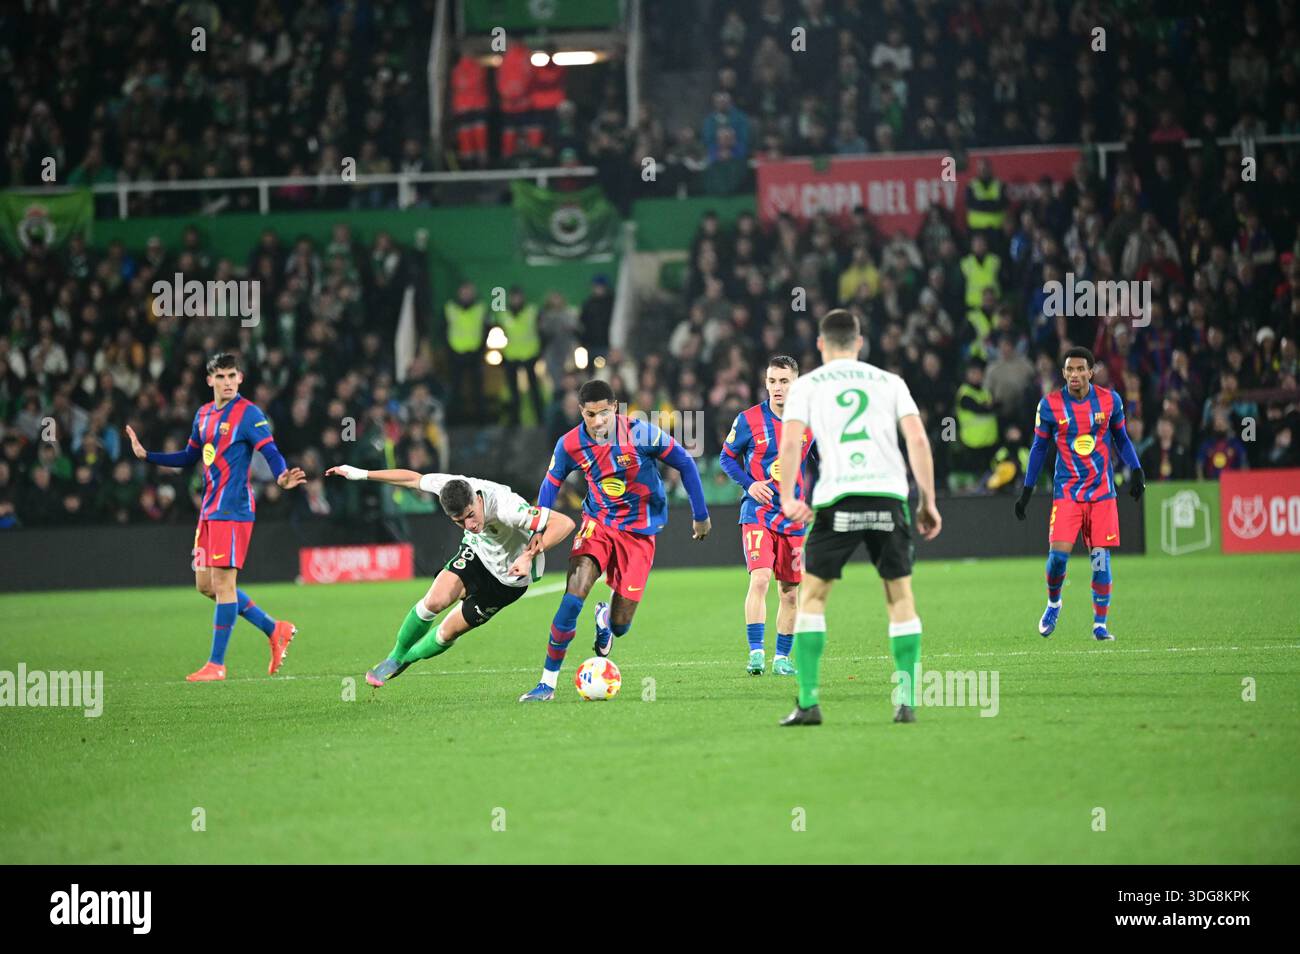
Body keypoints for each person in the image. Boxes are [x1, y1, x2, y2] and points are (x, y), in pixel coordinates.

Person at [775, 310, 942, 726]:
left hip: (837, 498)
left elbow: (792, 442)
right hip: (888, 496)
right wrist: (928, 501)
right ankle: (905, 701)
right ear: (859, 342)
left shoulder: (807, 385)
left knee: (812, 597)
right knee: (899, 596)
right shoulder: (890, 382)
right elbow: (918, 439)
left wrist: (787, 496)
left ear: (820, 343)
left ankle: (809, 703)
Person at [518, 379, 711, 701]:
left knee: (621, 626)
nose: (597, 422)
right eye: (590, 414)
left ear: (616, 408)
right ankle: (547, 683)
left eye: (604, 413)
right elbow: (551, 483)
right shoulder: (569, 444)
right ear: (581, 411)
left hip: (639, 534)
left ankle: (605, 618)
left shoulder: (642, 433)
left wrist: (700, 515)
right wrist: (539, 527)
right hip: (598, 525)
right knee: (572, 596)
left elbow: (685, 463)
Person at [124, 352, 306, 682]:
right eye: (220, 377)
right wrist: (146, 455)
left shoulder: (249, 414)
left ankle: (216, 665)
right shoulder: (204, 414)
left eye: (232, 376)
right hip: (208, 510)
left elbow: (271, 451)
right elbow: (189, 456)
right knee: (206, 585)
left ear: (240, 379)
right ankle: (274, 628)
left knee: (224, 584)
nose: (227, 382)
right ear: (209, 380)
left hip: (233, 509)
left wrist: (281, 476)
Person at [325, 465, 575, 687]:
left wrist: (528, 556)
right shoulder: (450, 486)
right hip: (476, 555)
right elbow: (412, 479)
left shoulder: (508, 508)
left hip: (509, 579)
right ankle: (396, 657)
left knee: (447, 633)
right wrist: (362, 474)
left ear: (477, 499)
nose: (469, 525)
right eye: (459, 521)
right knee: (434, 601)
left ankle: (409, 658)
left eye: (470, 515)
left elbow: (563, 524)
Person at [1014, 347, 1145, 641]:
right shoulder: (1049, 405)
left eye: (1079, 369)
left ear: (1091, 371)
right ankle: (1053, 603)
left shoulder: (1110, 401)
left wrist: (1136, 469)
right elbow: (1038, 449)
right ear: (1063, 373)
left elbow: (1121, 438)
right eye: (1069, 370)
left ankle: (1100, 625)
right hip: (1068, 493)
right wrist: (1027, 490)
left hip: (1101, 494)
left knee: (1100, 559)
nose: (1074, 375)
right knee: (1057, 559)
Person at [718, 355, 816, 676]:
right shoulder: (748, 420)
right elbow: (727, 457)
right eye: (772, 381)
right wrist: (751, 483)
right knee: (759, 578)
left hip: (792, 518)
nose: (777, 387)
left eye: (784, 381)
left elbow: (825, 463)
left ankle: (782, 659)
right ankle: (756, 652)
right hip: (757, 512)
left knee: (789, 591)